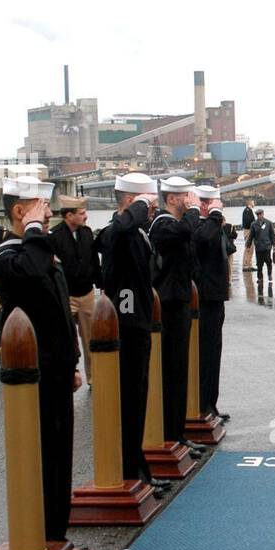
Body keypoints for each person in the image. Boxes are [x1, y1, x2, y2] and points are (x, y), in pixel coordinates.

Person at [0, 177, 83, 541]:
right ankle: (38, 532)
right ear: (18, 211)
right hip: (33, 373)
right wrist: (32, 229)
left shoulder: (37, 249)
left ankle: (56, 530)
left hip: (57, 366)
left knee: (60, 454)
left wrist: (73, 362)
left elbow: (60, 310)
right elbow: (29, 274)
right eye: (39, 208)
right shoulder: (7, 254)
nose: (48, 215)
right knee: (40, 454)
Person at [96, 172, 169, 495]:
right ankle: (129, 469)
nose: (152, 210)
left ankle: (138, 467)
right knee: (128, 400)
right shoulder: (119, 231)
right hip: (125, 325)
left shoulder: (136, 232)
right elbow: (118, 230)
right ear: (130, 202)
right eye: (148, 204)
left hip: (138, 322)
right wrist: (139, 206)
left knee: (138, 398)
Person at [150, 176, 206, 456]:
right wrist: (195, 211)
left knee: (180, 370)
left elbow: (191, 238)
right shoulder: (162, 224)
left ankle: (178, 432)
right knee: (171, 370)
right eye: (186, 196)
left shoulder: (178, 224)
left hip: (180, 300)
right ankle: (169, 433)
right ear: (172, 198)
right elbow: (184, 233)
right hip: (169, 305)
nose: (191, 199)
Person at [49, 194, 102, 386]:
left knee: (90, 341)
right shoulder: (54, 237)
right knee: (65, 339)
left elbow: (94, 262)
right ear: (68, 215)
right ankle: (68, 375)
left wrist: (100, 284)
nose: (86, 216)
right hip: (66, 296)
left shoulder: (87, 233)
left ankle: (92, 378)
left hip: (86, 293)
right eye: (82, 213)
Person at [193, 187, 234, 422]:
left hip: (216, 296)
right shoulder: (198, 226)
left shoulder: (212, 226)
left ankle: (211, 403)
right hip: (205, 298)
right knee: (205, 352)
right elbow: (203, 240)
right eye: (216, 203)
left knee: (214, 351)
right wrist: (214, 216)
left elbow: (226, 248)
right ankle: (202, 404)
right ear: (205, 205)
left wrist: (224, 229)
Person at [247, 207, 275, 289]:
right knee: (259, 264)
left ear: (263, 214)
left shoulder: (268, 223)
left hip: (267, 246)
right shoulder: (253, 224)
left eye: (260, 214)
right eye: (258, 215)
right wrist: (248, 245)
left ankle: (269, 274)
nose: (259, 216)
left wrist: (274, 245)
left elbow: (273, 235)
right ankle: (260, 278)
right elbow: (251, 236)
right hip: (258, 247)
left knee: (268, 261)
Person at [240, 198, 256, 271]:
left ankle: (249, 264)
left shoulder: (249, 211)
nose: (254, 203)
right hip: (248, 231)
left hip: (250, 231)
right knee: (248, 248)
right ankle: (246, 265)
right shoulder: (247, 211)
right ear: (249, 203)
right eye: (253, 202)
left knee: (251, 248)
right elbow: (247, 222)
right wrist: (254, 224)